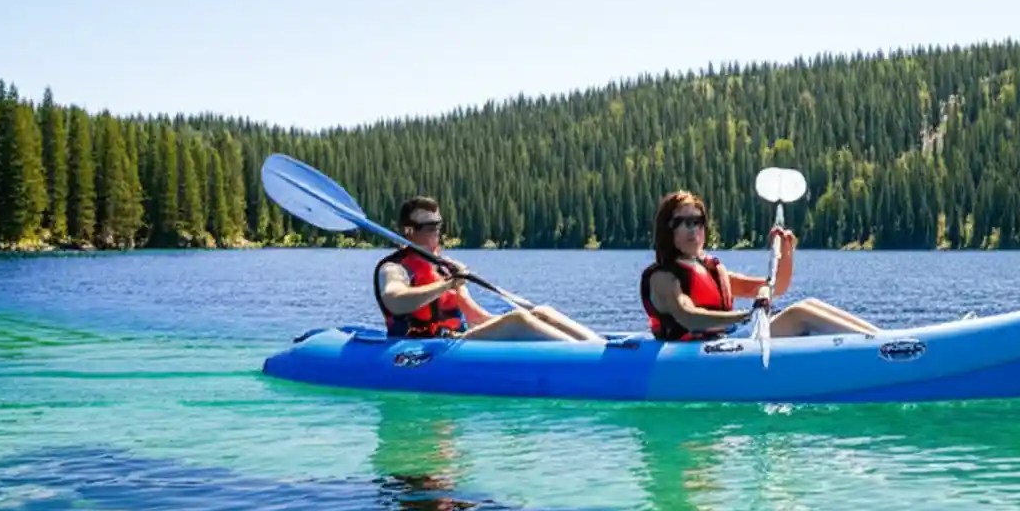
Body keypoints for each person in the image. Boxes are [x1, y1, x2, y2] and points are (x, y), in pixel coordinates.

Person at [640, 190, 879, 341]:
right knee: (799, 314)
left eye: (698, 221)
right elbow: (689, 318)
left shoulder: (710, 269)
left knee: (809, 304)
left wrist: (786, 251)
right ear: (668, 229)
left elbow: (778, 286)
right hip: (695, 354)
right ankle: (883, 346)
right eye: (683, 222)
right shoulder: (663, 278)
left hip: (726, 341)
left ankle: (881, 340)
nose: (693, 229)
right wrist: (748, 316)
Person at [374, 196, 602, 342]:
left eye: (438, 225)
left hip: (455, 338)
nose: (436, 232)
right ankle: (592, 361)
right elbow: (395, 300)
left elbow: (475, 316)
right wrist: (447, 285)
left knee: (542, 312)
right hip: (419, 346)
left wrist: (509, 326)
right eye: (428, 227)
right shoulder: (394, 268)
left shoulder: (444, 268)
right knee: (517, 320)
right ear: (408, 231)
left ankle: (601, 349)